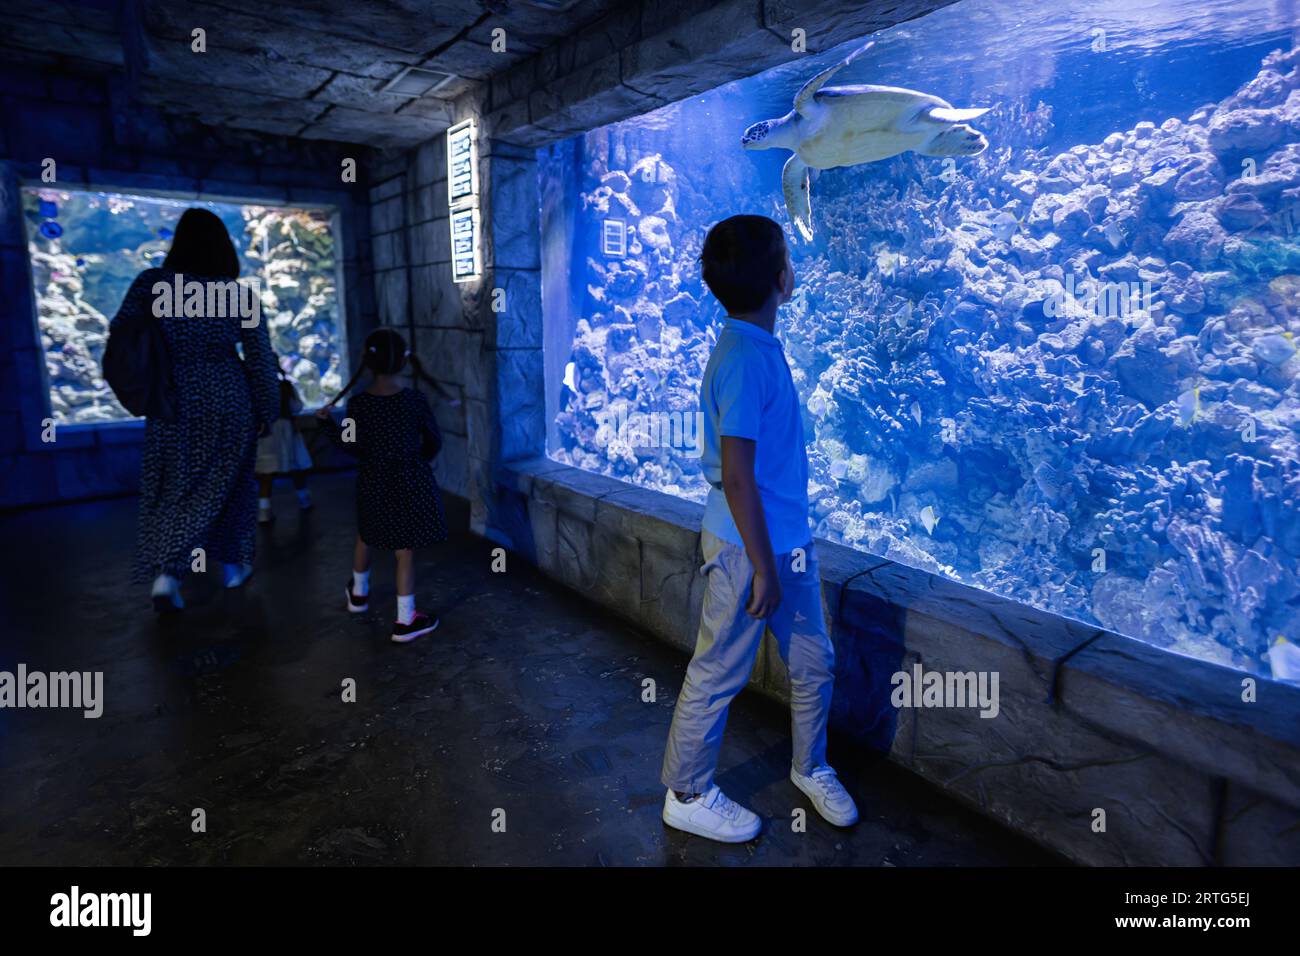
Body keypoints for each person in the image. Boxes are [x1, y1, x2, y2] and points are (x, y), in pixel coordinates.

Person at [659, 214, 858, 842]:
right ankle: (685, 792)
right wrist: (765, 566)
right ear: (781, 279)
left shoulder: (755, 345)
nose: (793, 267)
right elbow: (739, 476)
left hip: (785, 543)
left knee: (813, 660)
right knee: (718, 669)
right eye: (790, 258)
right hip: (750, 549)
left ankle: (810, 766)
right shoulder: (744, 357)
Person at [113, 207, 279, 612]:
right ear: (223, 247)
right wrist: (267, 409)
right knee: (230, 486)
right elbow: (260, 358)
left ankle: (167, 576)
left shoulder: (151, 284)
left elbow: (123, 334)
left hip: (173, 397)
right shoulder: (238, 294)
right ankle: (231, 568)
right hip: (228, 395)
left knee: (173, 486)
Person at [315, 328, 448, 643]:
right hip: (408, 478)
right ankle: (405, 620)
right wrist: (422, 460)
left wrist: (326, 424)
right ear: (403, 361)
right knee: (404, 551)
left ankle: (359, 595)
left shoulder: (359, 403)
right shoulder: (414, 399)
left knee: (366, 533)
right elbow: (433, 438)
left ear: (368, 362)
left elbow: (349, 444)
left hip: (372, 478)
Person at [255, 361, 314, 525]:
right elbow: (297, 406)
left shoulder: (257, 387)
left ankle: (264, 512)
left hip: (266, 431)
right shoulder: (285, 386)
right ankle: (304, 500)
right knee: (296, 466)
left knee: (266, 472)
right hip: (287, 428)